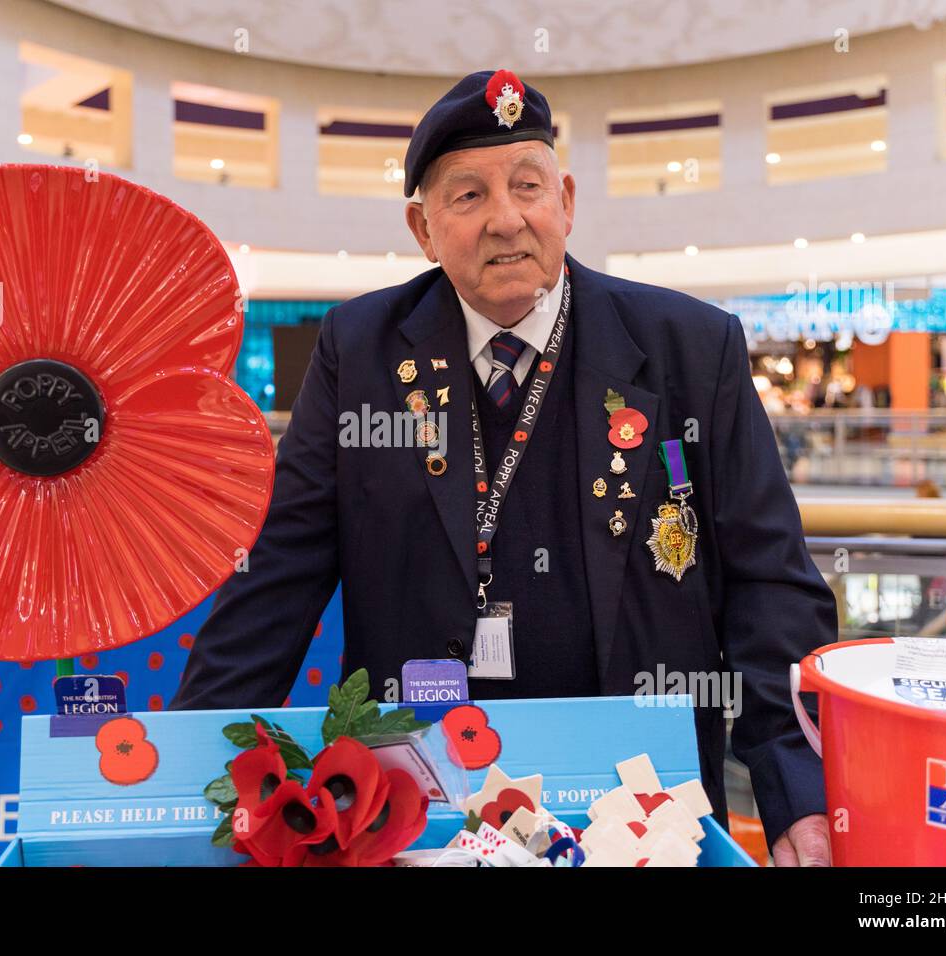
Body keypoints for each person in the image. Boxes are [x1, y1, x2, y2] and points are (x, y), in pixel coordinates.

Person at [172, 69, 837, 865]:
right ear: (423, 229)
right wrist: (185, 776)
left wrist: (797, 793)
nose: (506, 220)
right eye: (468, 197)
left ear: (567, 202)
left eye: (528, 186)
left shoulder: (690, 348)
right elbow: (278, 576)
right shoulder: (362, 351)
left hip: (636, 797)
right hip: (421, 798)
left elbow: (769, 581)